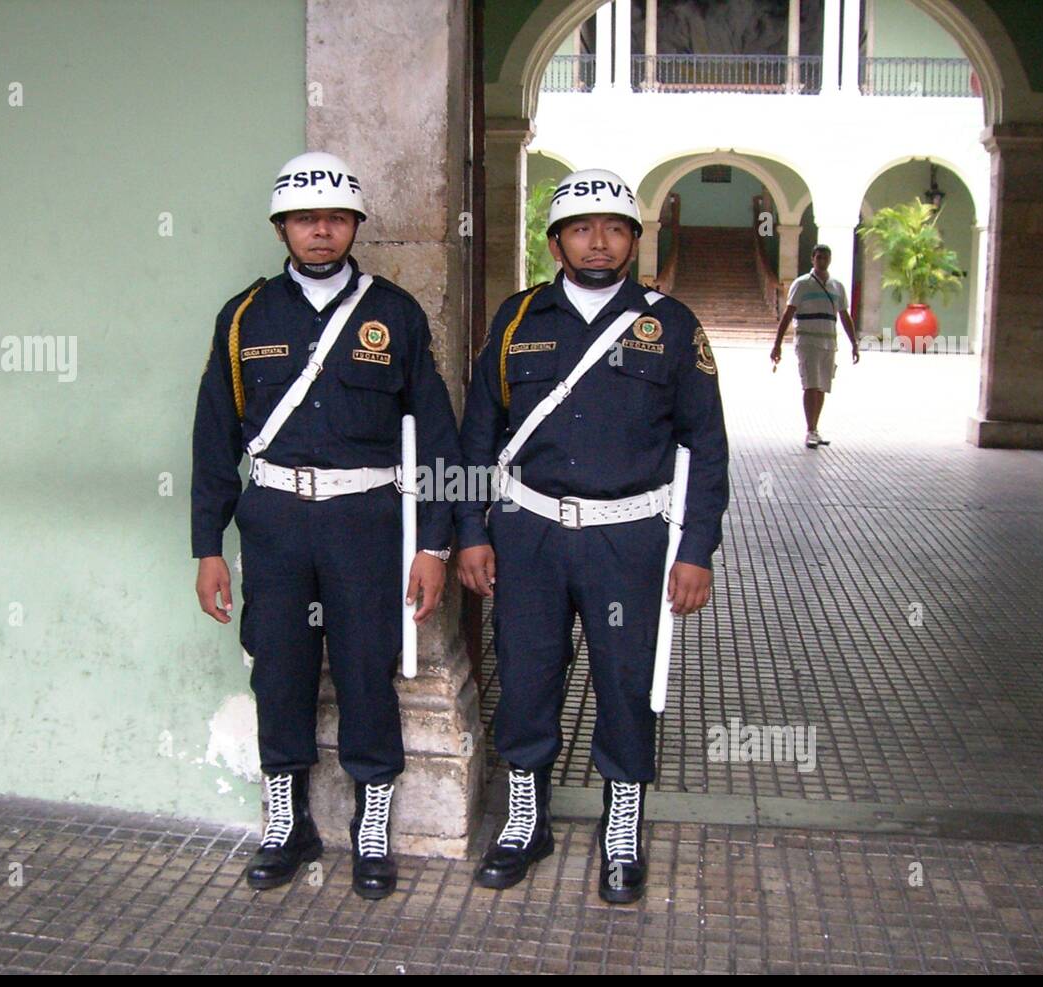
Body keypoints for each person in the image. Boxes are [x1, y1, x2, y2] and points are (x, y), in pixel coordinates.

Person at [190, 151, 461, 900]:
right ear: (282, 226)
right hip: (274, 521)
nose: (321, 230)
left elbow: (436, 438)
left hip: (366, 521)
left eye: (336, 218)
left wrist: (434, 542)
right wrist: (207, 546)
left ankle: (370, 825)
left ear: (355, 226)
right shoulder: (244, 316)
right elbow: (215, 439)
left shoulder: (394, 314)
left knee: (367, 669)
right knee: (278, 667)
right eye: (306, 219)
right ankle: (288, 820)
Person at [456, 169, 730, 904]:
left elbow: (707, 445)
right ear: (556, 242)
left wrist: (696, 548)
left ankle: (622, 826)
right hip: (529, 534)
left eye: (615, 227)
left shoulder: (672, 326)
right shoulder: (516, 320)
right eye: (582, 228)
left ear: (637, 240)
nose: (599, 240)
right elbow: (479, 433)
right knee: (527, 675)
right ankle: (524, 819)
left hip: (629, 540)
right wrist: (469, 531)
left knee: (624, 681)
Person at [770, 243, 860, 448]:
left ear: (830, 260)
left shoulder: (837, 286)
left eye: (825, 257)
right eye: (818, 257)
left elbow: (844, 316)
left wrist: (854, 343)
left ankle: (815, 428)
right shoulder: (801, 284)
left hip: (828, 342)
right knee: (810, 385)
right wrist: (777, 344)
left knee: (821, 386)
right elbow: (788, 314)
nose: (822, 261)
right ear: (812, 259)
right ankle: (810, 429)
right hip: (807, 342)